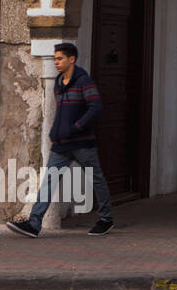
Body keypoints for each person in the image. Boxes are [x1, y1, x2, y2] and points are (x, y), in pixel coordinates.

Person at [7, 42, 114, 237]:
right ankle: (34, 224)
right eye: (55, 58)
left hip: (83, 144)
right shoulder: (58, 83)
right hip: (61, 144)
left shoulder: (83, 81)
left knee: (95, 179)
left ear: (71, 59)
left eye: (60, 58)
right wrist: (57, 132)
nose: (56, 62)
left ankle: (106, 219)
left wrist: (76, 127)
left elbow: (96, 107)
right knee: (48, 182)